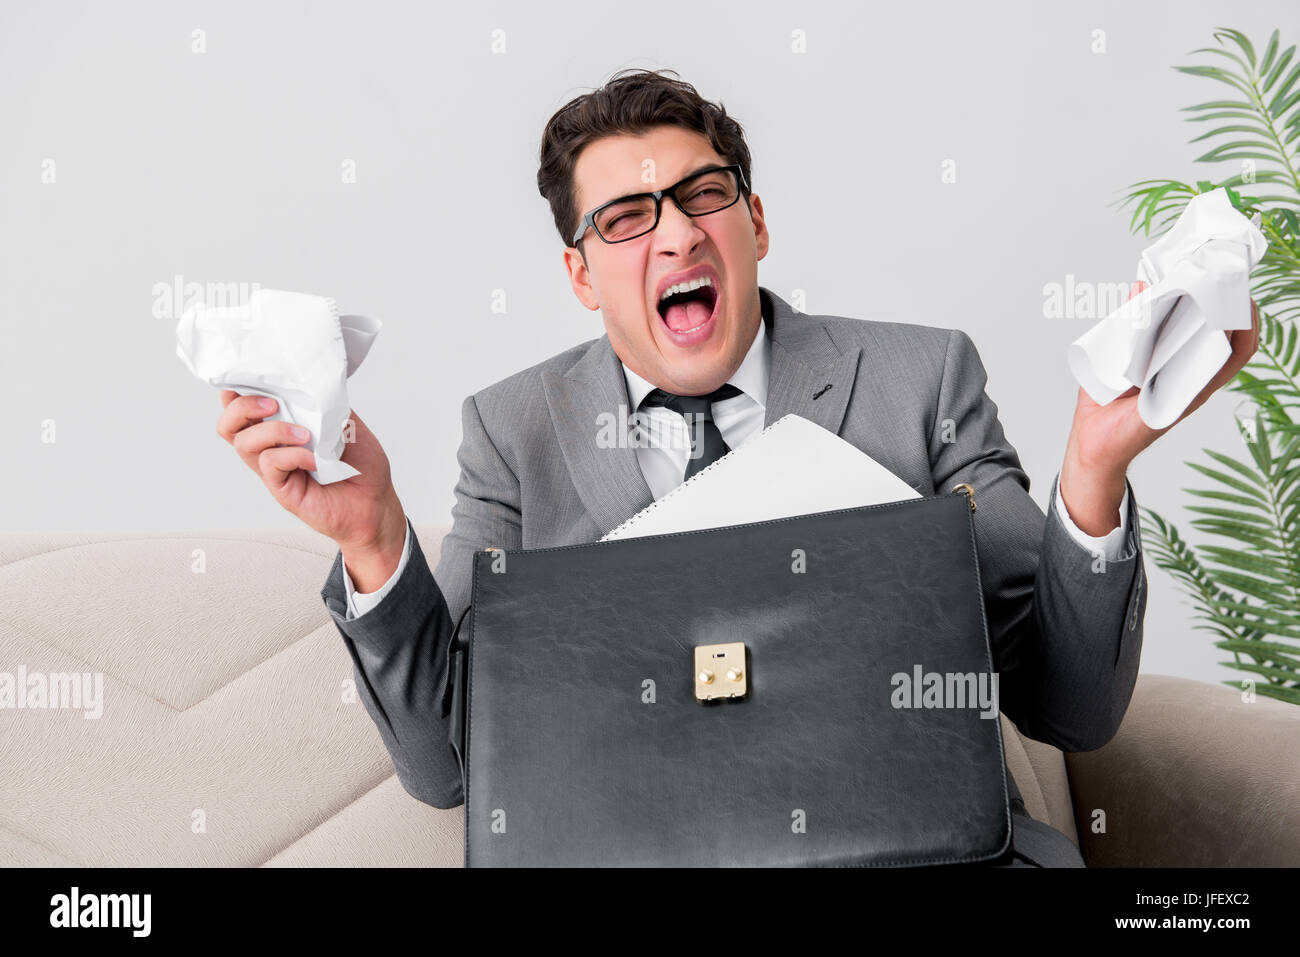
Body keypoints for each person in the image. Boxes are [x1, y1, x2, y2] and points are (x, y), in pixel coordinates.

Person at [216, 68, 1260, 867]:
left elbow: (1065, 708)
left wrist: (1092, 472)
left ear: (753, 223)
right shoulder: (511, 433)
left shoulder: (918, 379)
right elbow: (448, 771)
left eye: (701, 194)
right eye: (625, 219)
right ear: (581, 275)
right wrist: (372, 540)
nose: (673, 232)